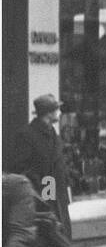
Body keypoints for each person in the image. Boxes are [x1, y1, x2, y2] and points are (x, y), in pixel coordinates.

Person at [8, 94, 72, 239]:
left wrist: (67, 188)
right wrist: (41, 188)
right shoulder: (27, 135)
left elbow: (59, 164)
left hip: (58, 197)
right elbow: (20, 169)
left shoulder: (53, 133)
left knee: (60, 239)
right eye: (57, 110)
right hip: (41, 197)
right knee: (47, 240)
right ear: (49, 113)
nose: (60, 113)